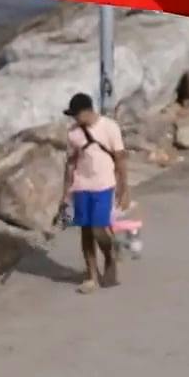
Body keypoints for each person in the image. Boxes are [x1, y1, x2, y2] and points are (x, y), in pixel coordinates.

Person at [61, 91, 125, 292]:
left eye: (76, 115)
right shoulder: (73, 134)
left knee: (99, 228)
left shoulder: (109, 127)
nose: (75, 119)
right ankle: (92, 276)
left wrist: (125, 188)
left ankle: (109, 255)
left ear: (88, 111)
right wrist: (65, 193)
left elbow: (121, 158)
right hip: (81, 187)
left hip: (104, 185)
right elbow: (70, 164)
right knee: (86, 231)